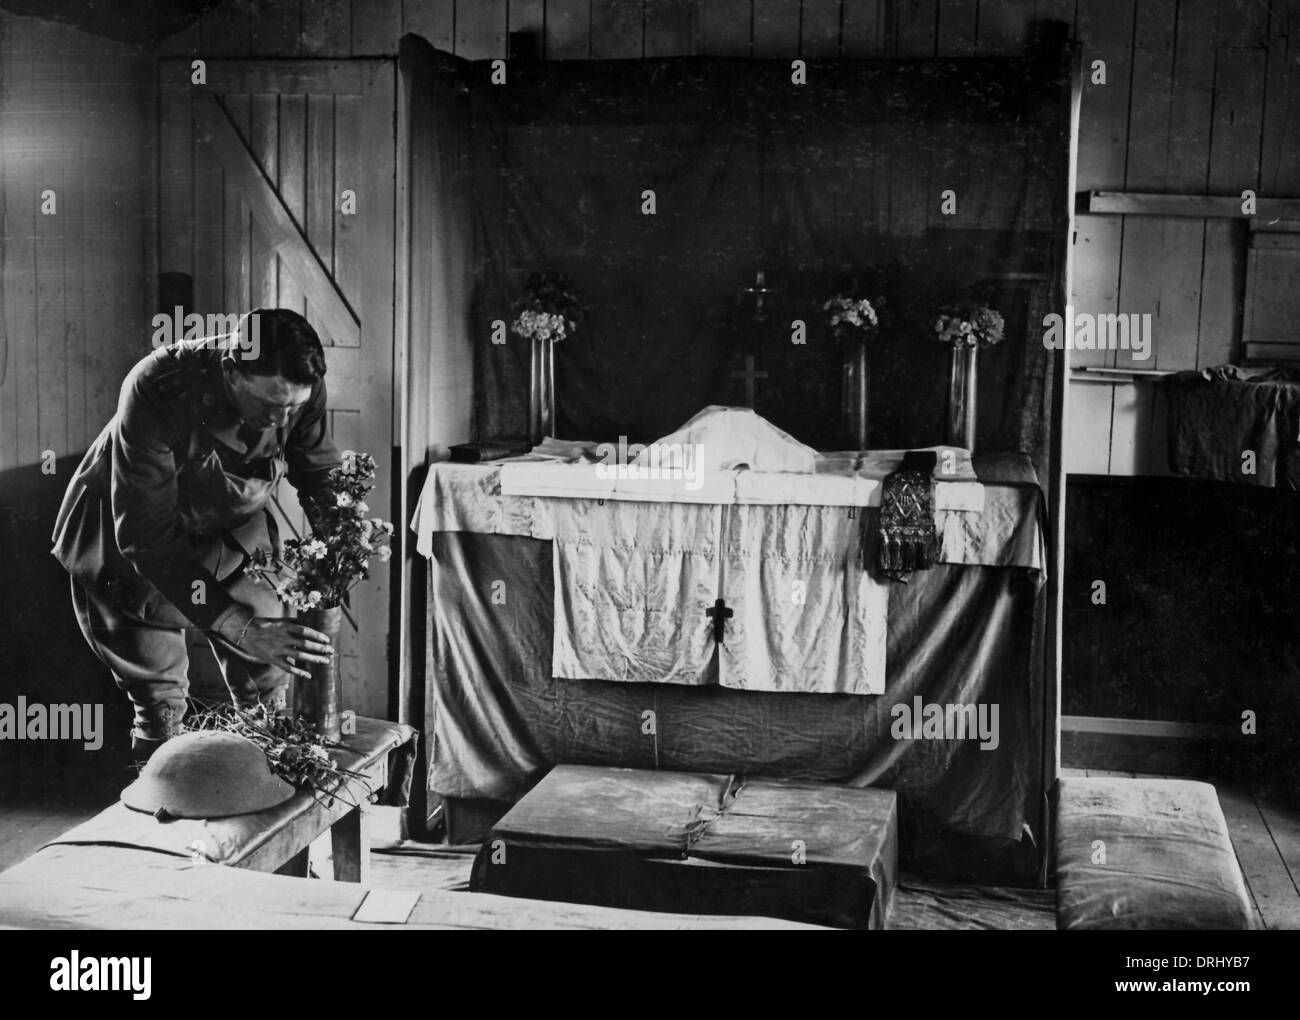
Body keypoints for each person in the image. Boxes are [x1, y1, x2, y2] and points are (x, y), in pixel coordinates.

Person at [52, 309, 342, 760]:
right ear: (230, 372)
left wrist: (340, 547)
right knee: (160, 703)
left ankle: (263, 807)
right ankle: (164, 815)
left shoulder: (297, 384)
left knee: (270, 679)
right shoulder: (157, 386)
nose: (281, 419)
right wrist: (238, 626)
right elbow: (148, 540)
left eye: (292, 408)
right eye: (268, 406)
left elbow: (319, 473)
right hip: (131, 543)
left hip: (227, 529)